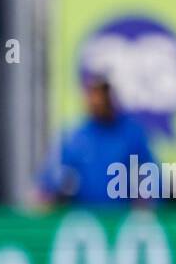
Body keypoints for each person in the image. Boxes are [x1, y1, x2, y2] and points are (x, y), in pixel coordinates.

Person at [34, 75, 158, 209]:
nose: (98, 101)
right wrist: (46, 195)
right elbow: (50, 180)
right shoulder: (74, 136)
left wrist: (146, 200)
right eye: (93, 95)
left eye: (102, 94)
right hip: (82, 220)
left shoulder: (131, 134)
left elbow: (151, 174)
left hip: (121, 217)